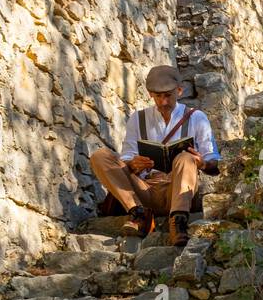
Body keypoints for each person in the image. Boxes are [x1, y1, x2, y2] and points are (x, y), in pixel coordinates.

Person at [89, 65, 221, 246]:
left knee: (185, 157)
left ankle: (178, 223)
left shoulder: (197, 117)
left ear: (180, 91)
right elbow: (127, 156)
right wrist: (133, 164)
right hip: (146, 189)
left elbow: (214, 161)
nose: (163, 102)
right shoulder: (138, 119)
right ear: (150, 94)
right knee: (100, 156)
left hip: (179, 189)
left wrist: (202, 163)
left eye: (168, 95)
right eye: (158, 96)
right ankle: (139, 214)